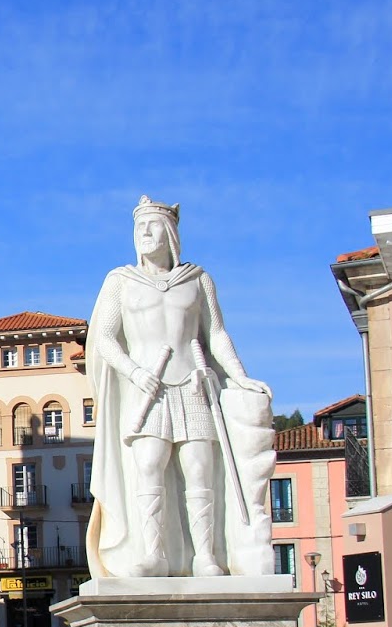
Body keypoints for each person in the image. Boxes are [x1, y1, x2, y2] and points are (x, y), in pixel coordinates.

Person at [86, 196, 275, 579]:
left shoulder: (198, 280)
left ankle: (205, 556)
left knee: (199, 470)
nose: (144, 233)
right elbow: (104, 337)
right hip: (146, 388)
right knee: (149, 468)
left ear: (170, 232)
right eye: (139, 227)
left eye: (152, 225)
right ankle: (153, 555)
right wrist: (134, 372)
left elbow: (217, 334)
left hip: (192, 384)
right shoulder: (120, 282)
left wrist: (239, 376)